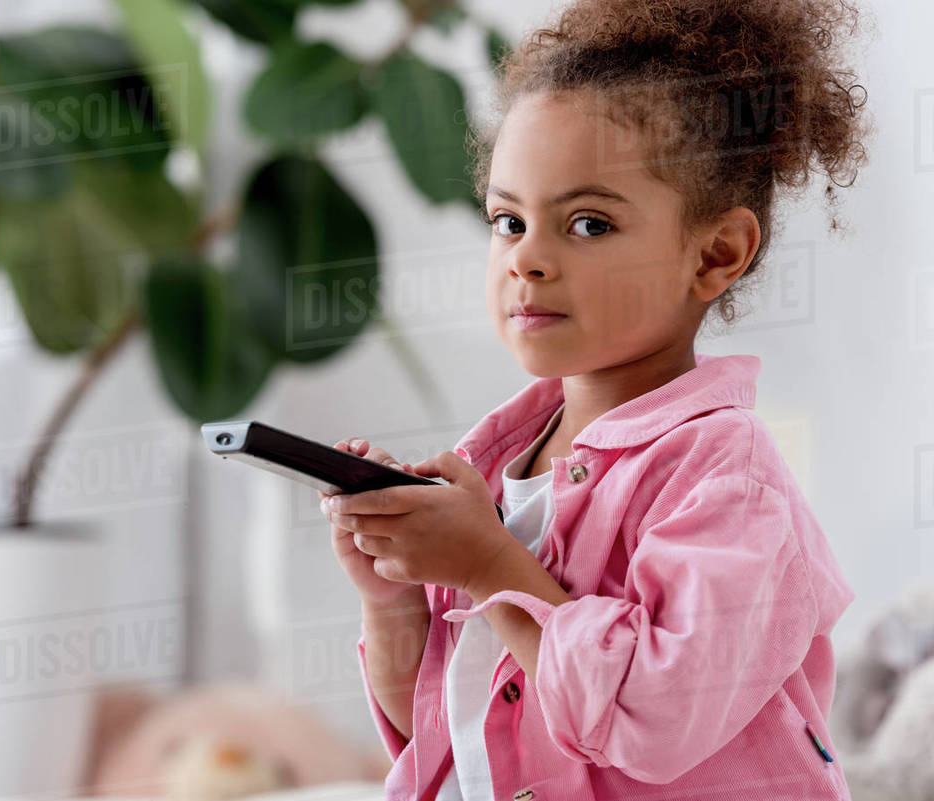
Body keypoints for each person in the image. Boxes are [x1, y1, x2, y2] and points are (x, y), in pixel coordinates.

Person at [320, 0, 874, 797]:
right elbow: (454, 734)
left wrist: (486, 566)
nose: (529, 259)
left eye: (586, 224)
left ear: (717, 253)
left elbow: (653, 715)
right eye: (508, 220)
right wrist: (394, 599)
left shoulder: (728, 481)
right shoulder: (500, 465)